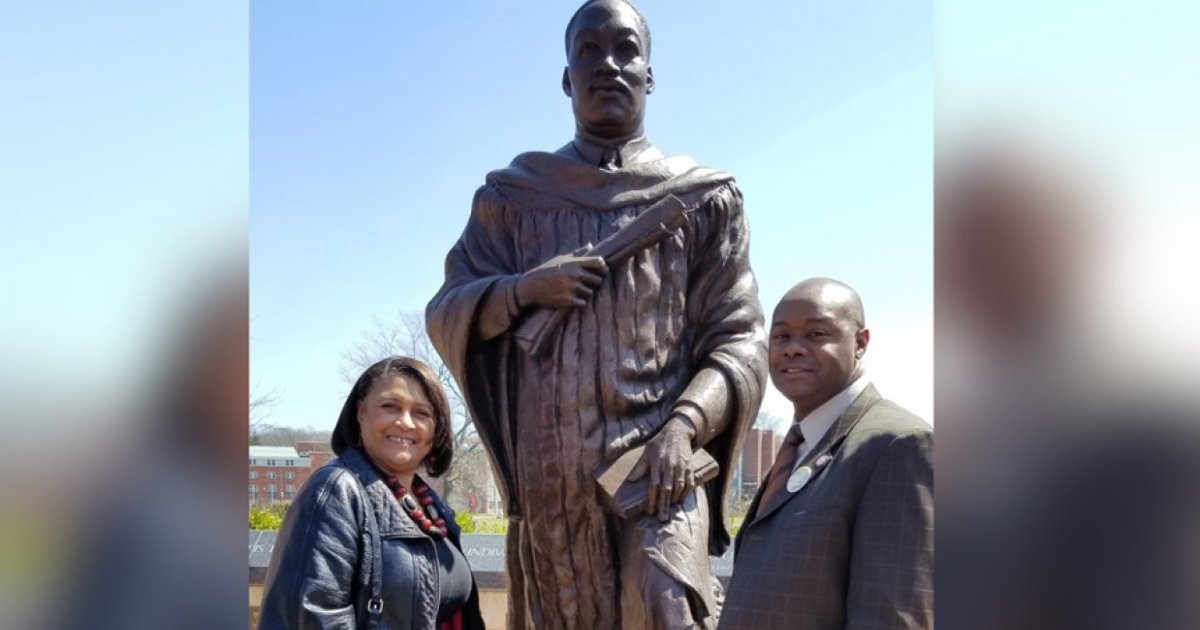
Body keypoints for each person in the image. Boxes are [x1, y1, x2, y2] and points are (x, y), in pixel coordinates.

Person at [426, 1, 767, 628]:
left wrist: (685, 425)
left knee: (666, 604)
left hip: (660, 466)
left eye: (626, 49)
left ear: (649, 76)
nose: (608, 64)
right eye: (589, 50)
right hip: (554, 471)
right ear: (566, 78)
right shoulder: (515, 196)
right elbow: (447, 310)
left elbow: (741, 339)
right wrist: (524, 290)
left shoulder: (701, 199)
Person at [720, 279, 934, 629]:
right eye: (781, 336)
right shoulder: (801, 446)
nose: (793, 349)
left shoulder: (897, 445)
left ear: (860, 343)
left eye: (817, 334)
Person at [258, 357, 485, 630]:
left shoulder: (430, 505)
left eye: (421, 413)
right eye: (390, 406)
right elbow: (310, 619)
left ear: (435, 429)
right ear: (360, 412)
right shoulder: (336, 491)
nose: (406, 422)